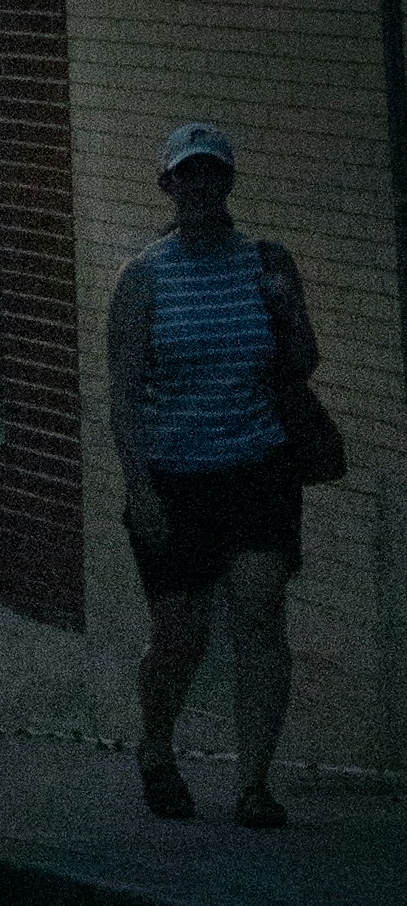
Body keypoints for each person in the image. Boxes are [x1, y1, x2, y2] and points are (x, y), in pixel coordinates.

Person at [106, 121, 320, 830]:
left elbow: (299, 362)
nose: (198, 187)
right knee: (180, 633)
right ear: (166, 185)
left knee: (259, 607)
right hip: (173, 473)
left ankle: (252, 782)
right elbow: (125, 392)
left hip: (254, 464)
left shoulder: (263, 260)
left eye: (211, 175)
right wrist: (138, 490)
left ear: (227, 184)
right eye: (185, 175)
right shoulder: (142, 277)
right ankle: (155, 746)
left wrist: (287, 309)